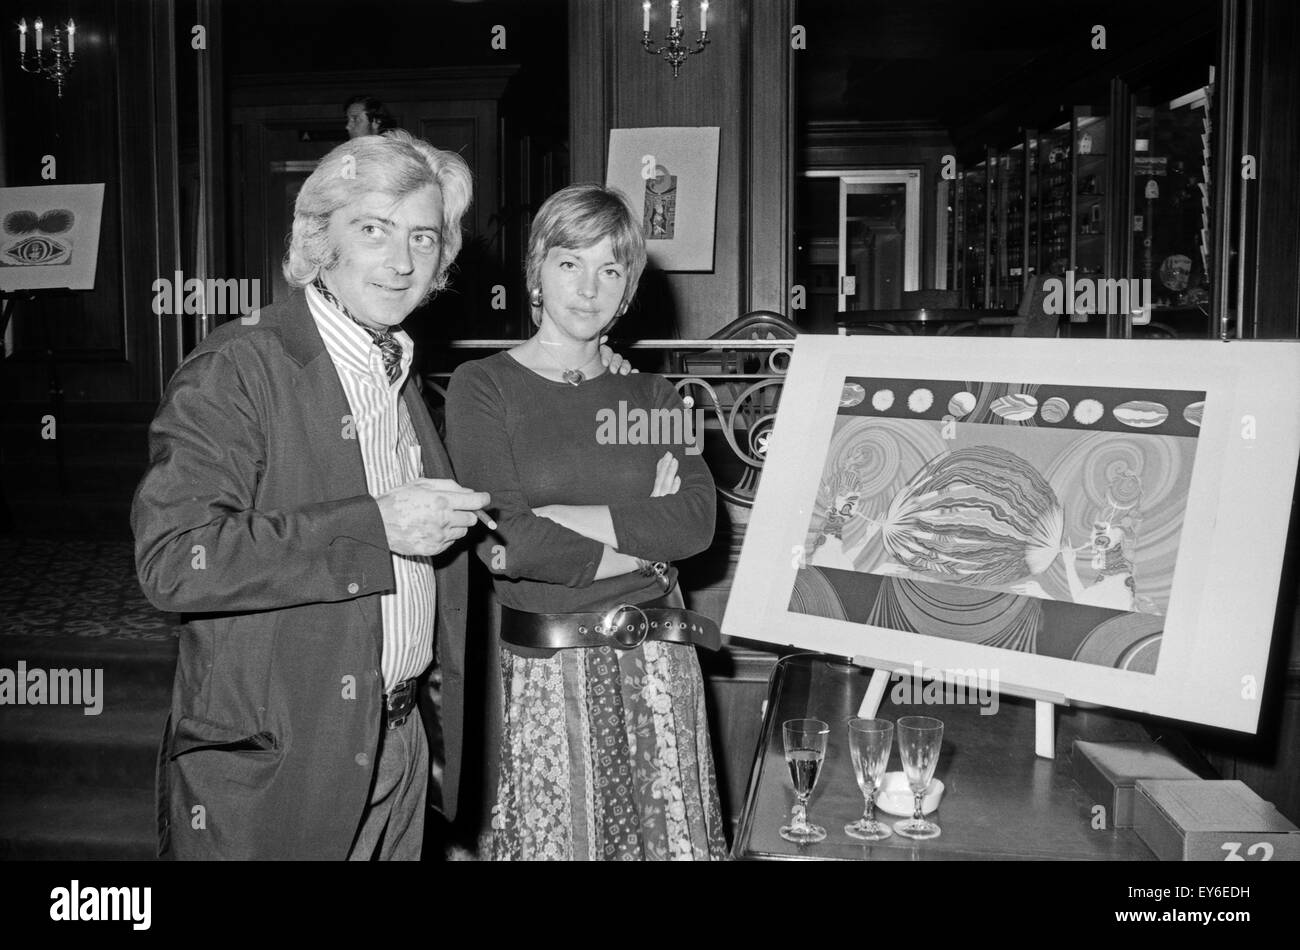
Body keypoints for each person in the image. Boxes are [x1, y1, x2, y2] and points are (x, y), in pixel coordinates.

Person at [132, 132, 630, 860]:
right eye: (375, 229)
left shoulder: (401, 377)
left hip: (396, 754)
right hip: (276, 769)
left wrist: (594, 372)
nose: (401, 261)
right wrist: (376, 528)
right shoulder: (238, 365)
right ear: (317, 238)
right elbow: (174, 561)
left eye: (423, 238)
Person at [445, 183, 728, 861]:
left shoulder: (653, 394)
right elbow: (510, 542)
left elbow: (695, 520)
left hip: (660, 661)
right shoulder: (483, 386)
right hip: (550, 669)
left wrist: (563, 515)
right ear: (537, 271)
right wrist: (643, 546)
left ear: (628, 290)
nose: (589, 286)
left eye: (610, 269)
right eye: (570, 262)